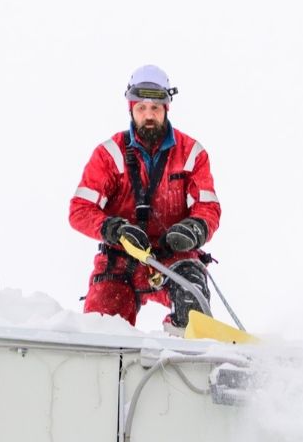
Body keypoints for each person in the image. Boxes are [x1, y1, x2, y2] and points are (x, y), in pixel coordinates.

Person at [69, 65, 221, 330]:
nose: (148, 115)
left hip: (173, 257)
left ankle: (185, 354)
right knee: (102, 329)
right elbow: (80, 210)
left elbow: (208, 207)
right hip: (119, 260)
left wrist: (195, 228)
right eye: (142, 108)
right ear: (131, 109)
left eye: (155, 108)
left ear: (166, 109)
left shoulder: (192, 153)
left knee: (192, 298)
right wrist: (112, 228)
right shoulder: (109, 154)